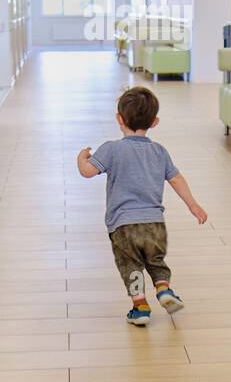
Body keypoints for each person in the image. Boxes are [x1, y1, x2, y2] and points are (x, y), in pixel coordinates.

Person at [76, 86, 208, 326]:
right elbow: (176, 179)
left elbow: (87, 172)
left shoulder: (111, 149)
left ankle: (140, 307)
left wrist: (81, 157)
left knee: (132, 265)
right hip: (154, 223)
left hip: (123, 226)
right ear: (154, 122)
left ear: (119, 119)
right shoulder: (159, 151)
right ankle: (164, 289)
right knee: (155, 261)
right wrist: (193, 205)